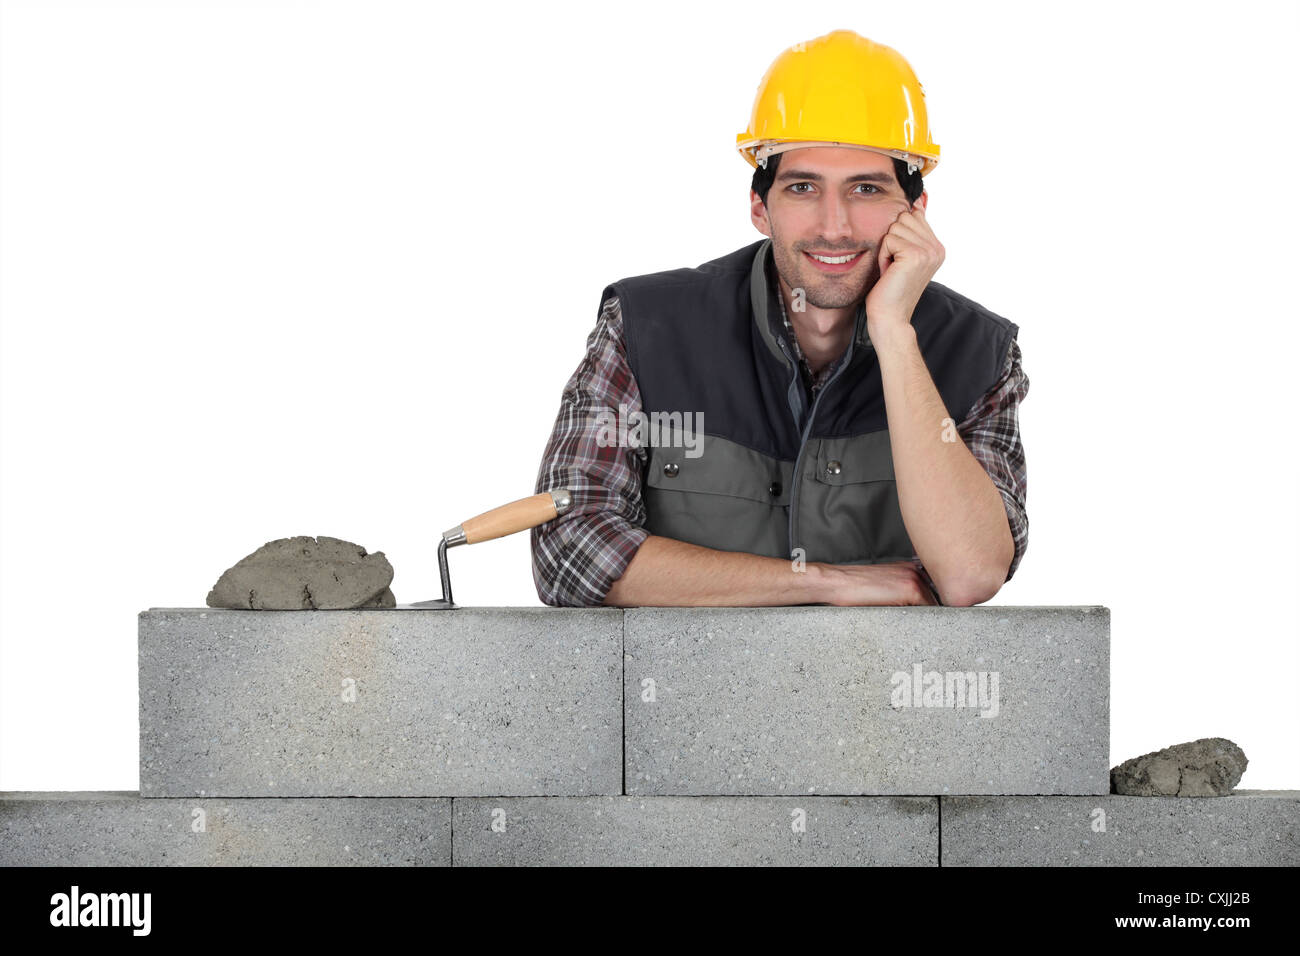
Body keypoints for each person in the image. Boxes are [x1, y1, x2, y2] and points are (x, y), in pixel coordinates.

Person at [531, 29, 1028, 609]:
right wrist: (821, 582)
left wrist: (895, 334)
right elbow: (570, 551)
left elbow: (971, 573)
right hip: (678, 698)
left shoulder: (979, 353)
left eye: (866, 189)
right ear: (759, 208)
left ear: (915, 209)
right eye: (802, 187)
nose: (835, 226)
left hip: (889, 699)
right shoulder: (647, 329)